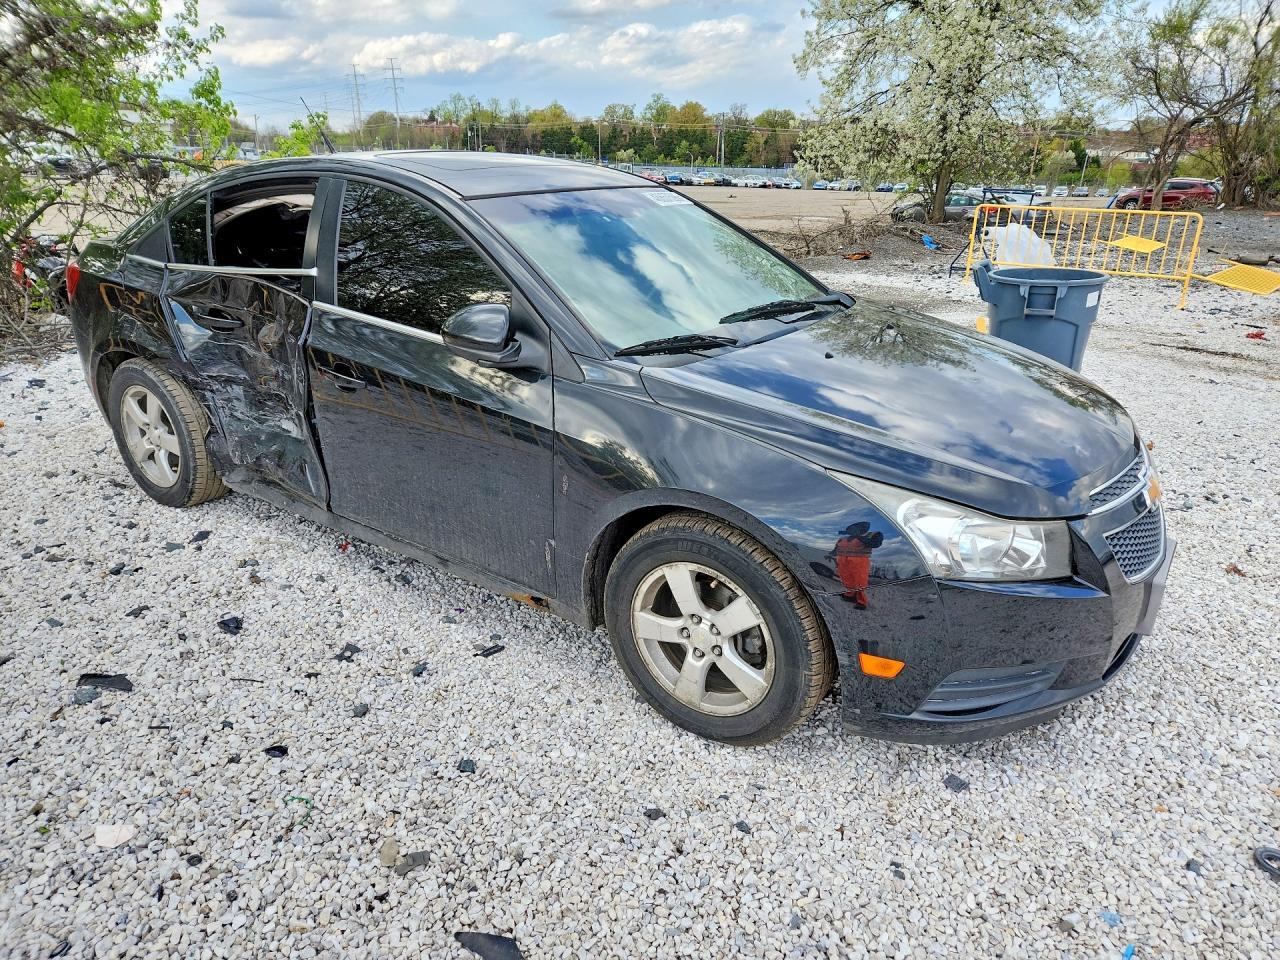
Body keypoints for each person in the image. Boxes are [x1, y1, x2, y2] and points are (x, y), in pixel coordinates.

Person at [830, 521, 883, 608]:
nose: (853, 529)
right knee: (846, 579)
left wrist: (858, 536)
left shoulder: (872, 534)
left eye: (856, 527)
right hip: (843, 562)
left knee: (859, 581)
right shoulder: (842, 538)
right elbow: (836, 549)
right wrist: (830, 554)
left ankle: (862, 601)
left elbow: (875, 544)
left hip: (859, 562)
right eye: (851, 528)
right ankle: (851, 595)